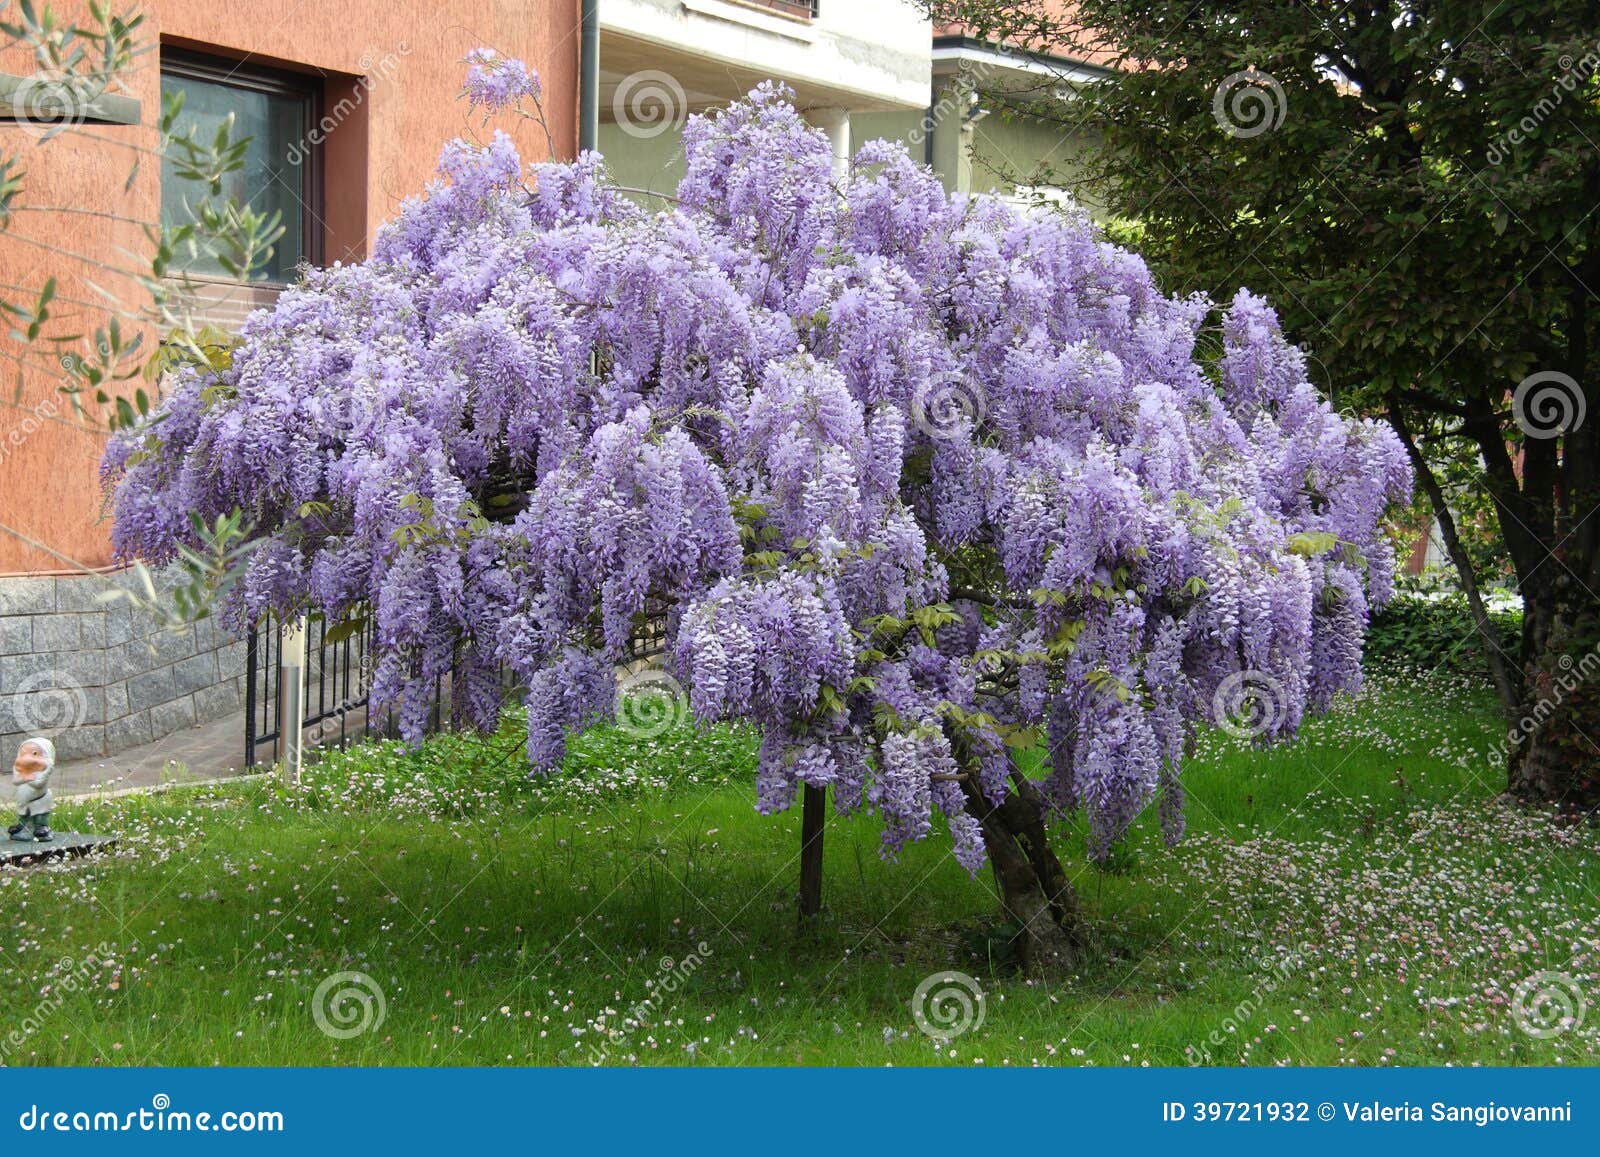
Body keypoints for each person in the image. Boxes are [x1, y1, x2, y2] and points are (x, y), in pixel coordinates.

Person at [9, 737, 55, 842]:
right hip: (24, 800)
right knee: (24, 814)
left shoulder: (44, 770)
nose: (27, 758)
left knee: (40, 815)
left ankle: (42, 828)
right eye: (23, 754)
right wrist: (25, 777)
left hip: (40, 799)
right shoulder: (20, 770)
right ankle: (22, 827)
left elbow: (39, 784)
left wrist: (27, 778)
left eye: (34, 753)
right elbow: (16, 781)